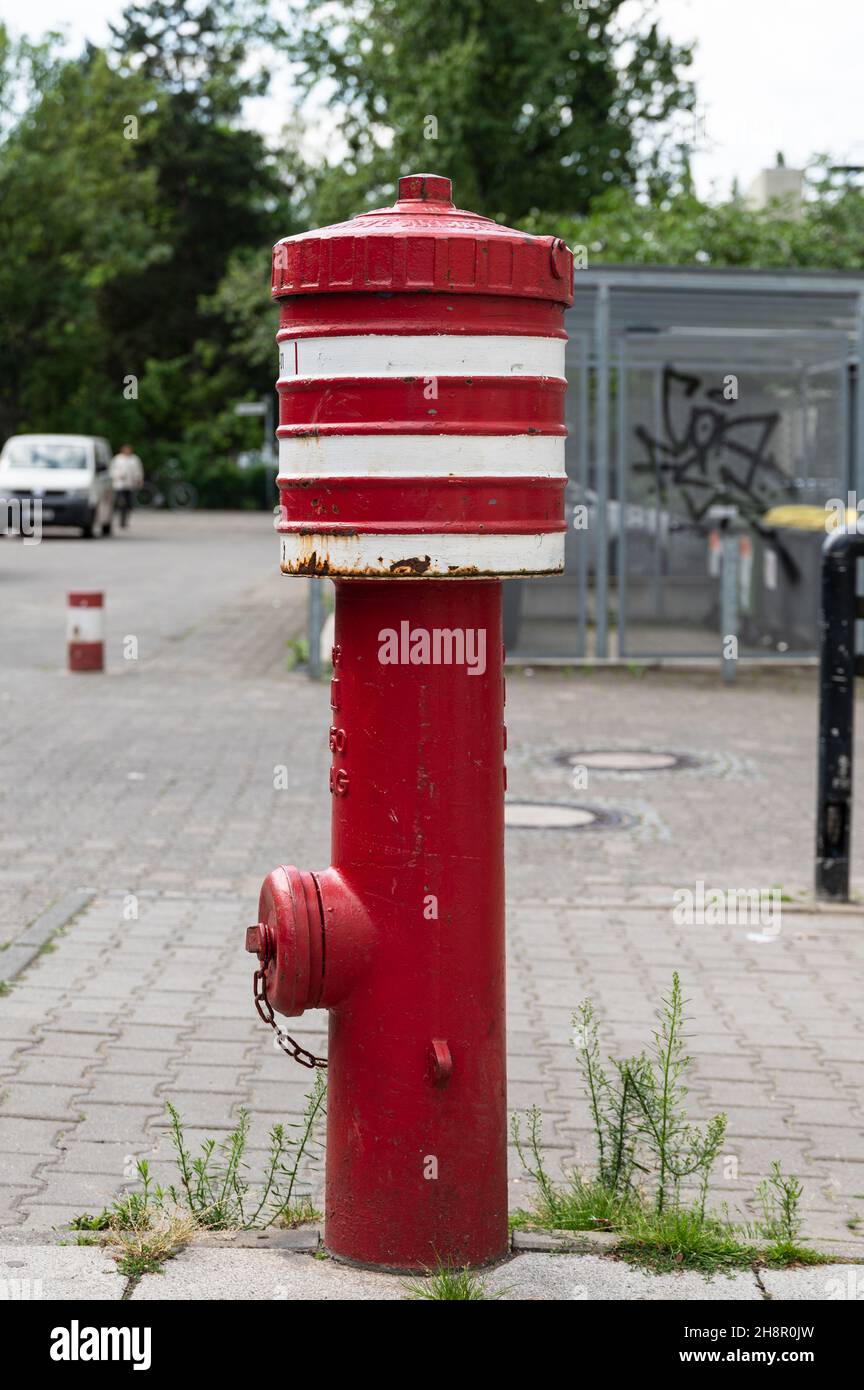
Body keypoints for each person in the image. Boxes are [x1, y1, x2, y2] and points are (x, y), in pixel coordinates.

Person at [110, 444, 144, 528]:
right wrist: (117, 475)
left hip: (129, 485)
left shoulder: (134, 459)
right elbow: (112, 470)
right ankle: (115, 518)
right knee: (121, 502)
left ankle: (124, 520)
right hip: (119, 484)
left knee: (128, 504)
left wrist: (139, 479)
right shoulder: (118, 459)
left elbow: (138, 470)